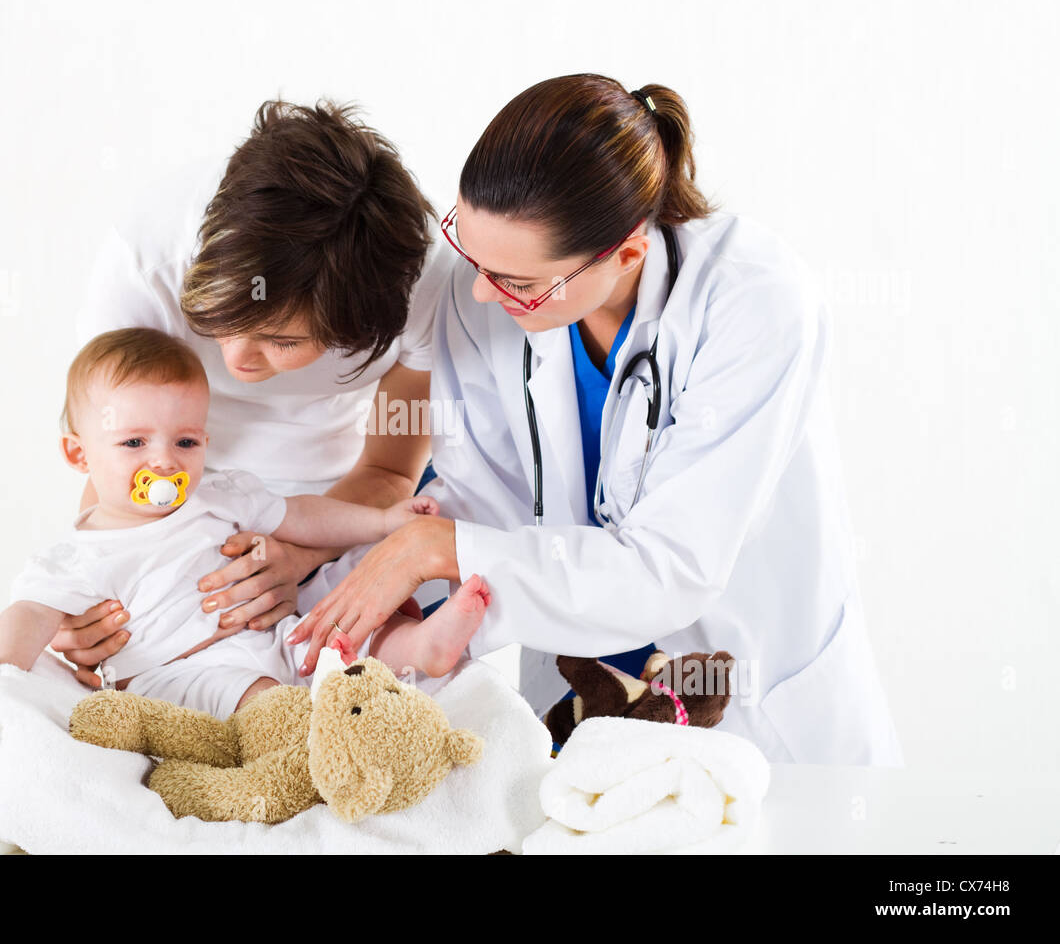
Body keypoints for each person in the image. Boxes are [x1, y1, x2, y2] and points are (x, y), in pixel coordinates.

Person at [294, 74, 904, 766]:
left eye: (520, 283)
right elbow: (480, 504)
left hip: (746, 709)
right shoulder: (489, 283)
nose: (479, 293)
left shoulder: (754, 301)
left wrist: (435, 549)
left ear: (625, 256)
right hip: (579, 695)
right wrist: (322, 581)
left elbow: (669, 568)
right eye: (467, 248)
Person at [53, 99, 453, 686]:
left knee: (364, 649)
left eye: (281, 341)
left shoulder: (426, 289)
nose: (234, 358)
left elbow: (391, 467)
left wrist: (301, 557)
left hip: (346, 501)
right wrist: (97, 591)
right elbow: (118, 449)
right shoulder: (151, 259)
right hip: (176, 505)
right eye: (220, 317)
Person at [0, 328, 491, 719]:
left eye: (186, 442)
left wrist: (380, 521)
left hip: (273, 632)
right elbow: (29, 613)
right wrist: (4, 663)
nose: (164, 462)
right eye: (134, 443)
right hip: (181, 673)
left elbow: (303, 516)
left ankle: (422, 648)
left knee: (345, 632)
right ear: (77, 454)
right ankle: (315, 730)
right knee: (261, 703)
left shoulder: (218, 494)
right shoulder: (77, 555)